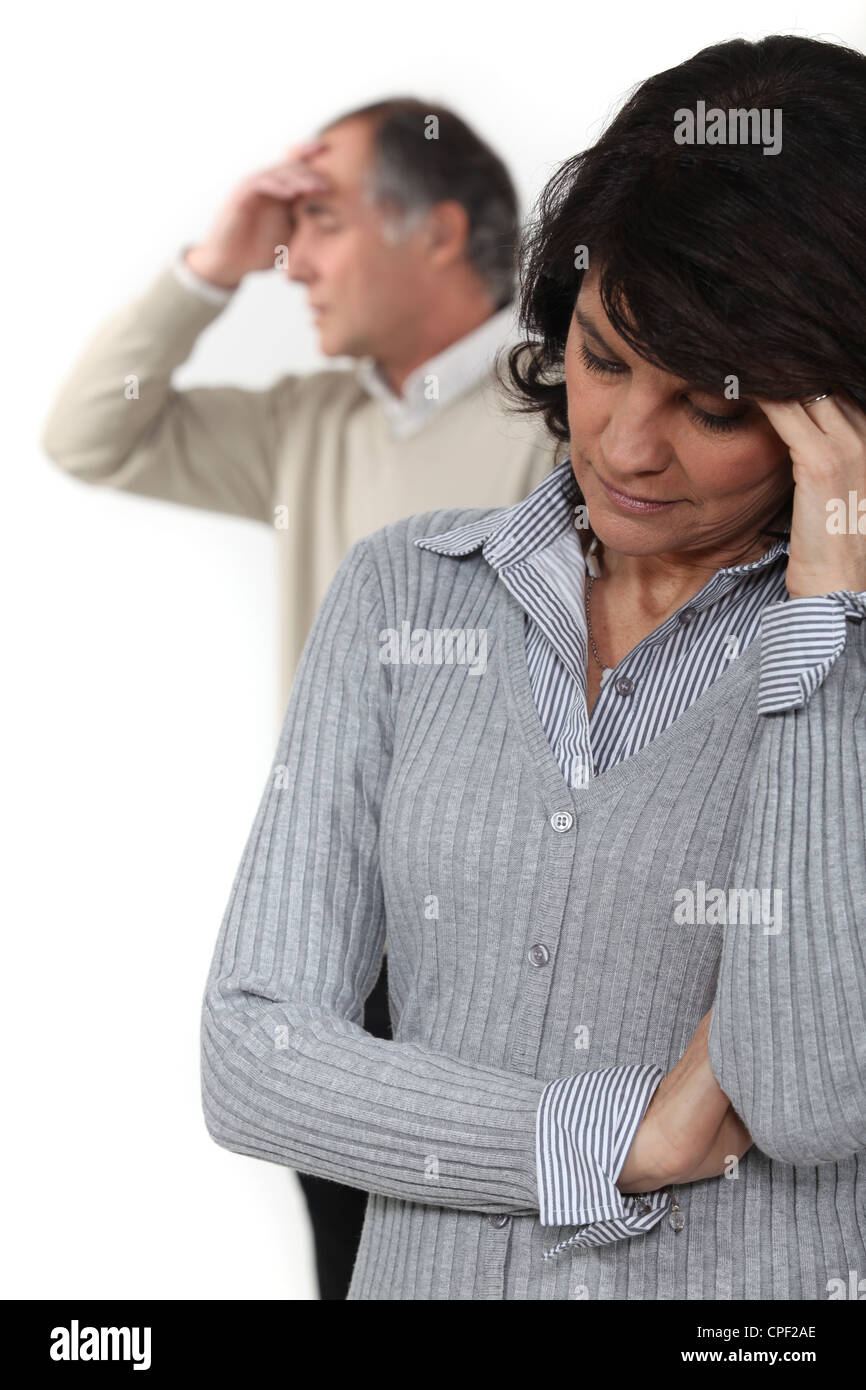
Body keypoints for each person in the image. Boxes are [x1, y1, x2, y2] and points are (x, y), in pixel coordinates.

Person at [200, 33, 866, 1299]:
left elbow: (805, 1091)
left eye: (715, 410)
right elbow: (252, 1054)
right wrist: (612, 1139)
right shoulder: (408, 589)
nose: (625, 442)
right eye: (604, 355)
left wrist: (828, 613)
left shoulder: (849, 654)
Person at [39, 97, 562, 1299]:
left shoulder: (573, 414)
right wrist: (211, 263)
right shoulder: (305, 429)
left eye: (316, 221)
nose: (294, 263)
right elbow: (89, 437)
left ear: (433, 233)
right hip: (340, 933)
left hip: (508, 937)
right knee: (354, 1265)